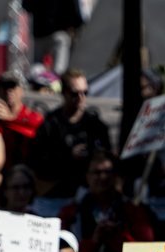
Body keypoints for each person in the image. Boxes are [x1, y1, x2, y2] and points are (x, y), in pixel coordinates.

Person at [30, 68, 112, 201]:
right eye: (75, 93)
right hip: (55, 194)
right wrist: (68, 155)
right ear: (64, 93)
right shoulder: (50, 125)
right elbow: (36, 162)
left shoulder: (96, 125)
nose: (81, 98)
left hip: (90, 195)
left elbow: (108, 159)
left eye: (85, 92)